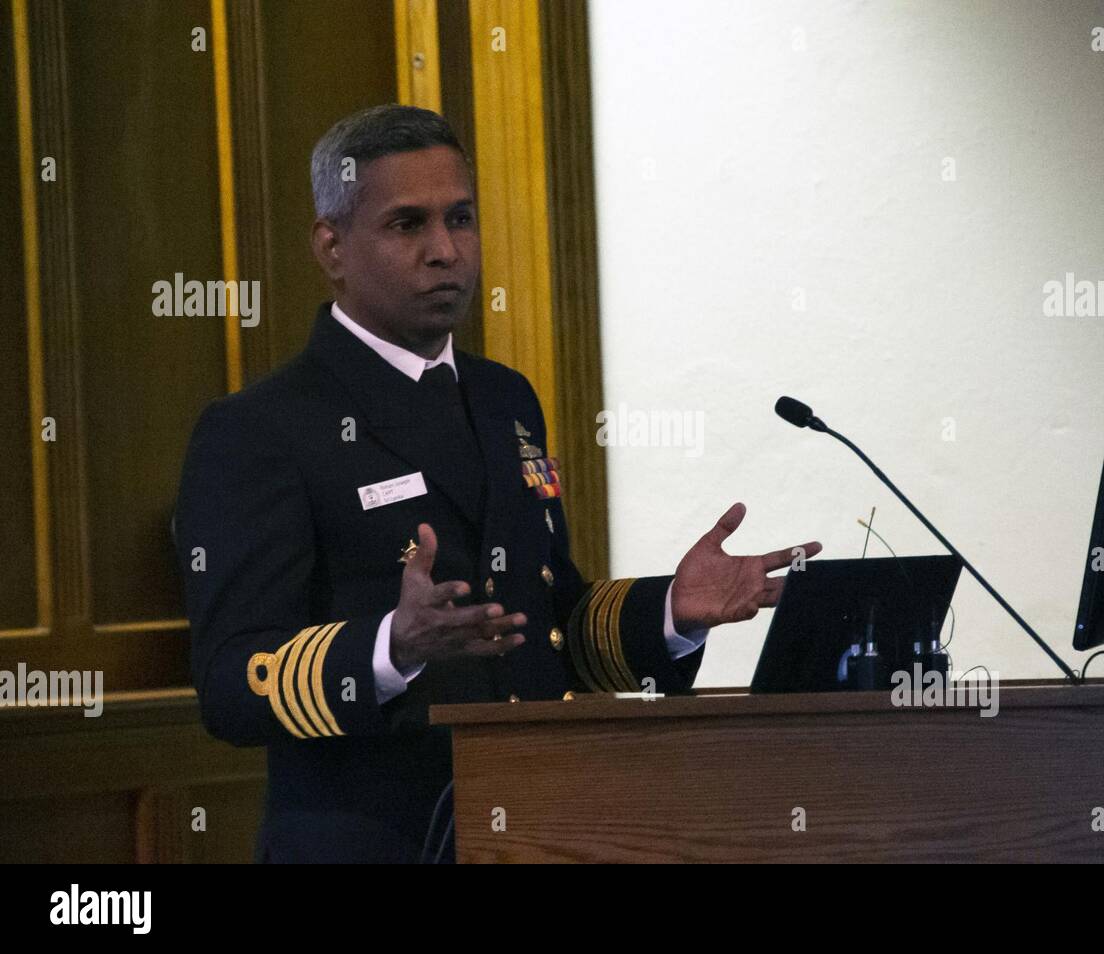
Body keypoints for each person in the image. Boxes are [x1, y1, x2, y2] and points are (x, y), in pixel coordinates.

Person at [175, 104, 821, 862]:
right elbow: (229, 685)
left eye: (461, 218)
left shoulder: (504, 399)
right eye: (407, 225)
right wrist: (393, 647)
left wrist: (671, 613)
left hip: (532, 833)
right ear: (332, 246)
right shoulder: (260, 429)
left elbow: (548, 627)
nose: (446, 250)